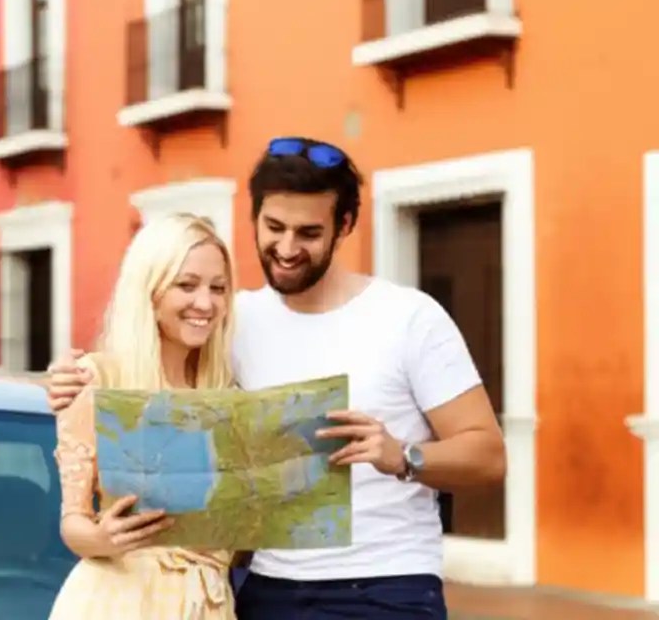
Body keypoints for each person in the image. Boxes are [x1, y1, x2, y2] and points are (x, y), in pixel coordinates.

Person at [46, 136, 507, 619]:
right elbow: (154, 361)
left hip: (383, 587)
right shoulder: (232, 321)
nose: (286, 248)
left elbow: (489, 456)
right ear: (255, 219)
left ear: (344, 225)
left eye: (308, 232)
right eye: (274, 227)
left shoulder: (409, 317)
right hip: (264, 589)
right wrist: (69, 379)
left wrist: (403, 456)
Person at [47, 212, 244, 620]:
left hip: (210, 604)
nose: (205, 303)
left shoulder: (229, 397)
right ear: (150, 290)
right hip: (121, 601)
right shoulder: (98, 380)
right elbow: (73, 523)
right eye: (186, 285)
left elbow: (241, 545)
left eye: (218, 288)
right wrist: (104, 537)